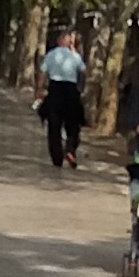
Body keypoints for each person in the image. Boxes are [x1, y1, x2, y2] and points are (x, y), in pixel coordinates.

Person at [37, 27, 87, 172]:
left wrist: (40, 89)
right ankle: (70, 149)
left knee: (54, 126)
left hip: (55, 90)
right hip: (71, 90)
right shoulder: (75, 56)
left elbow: (42, 72)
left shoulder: (51, 54)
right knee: (73, 125)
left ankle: (57, 158)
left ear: (59, 40)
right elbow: (84, 71)